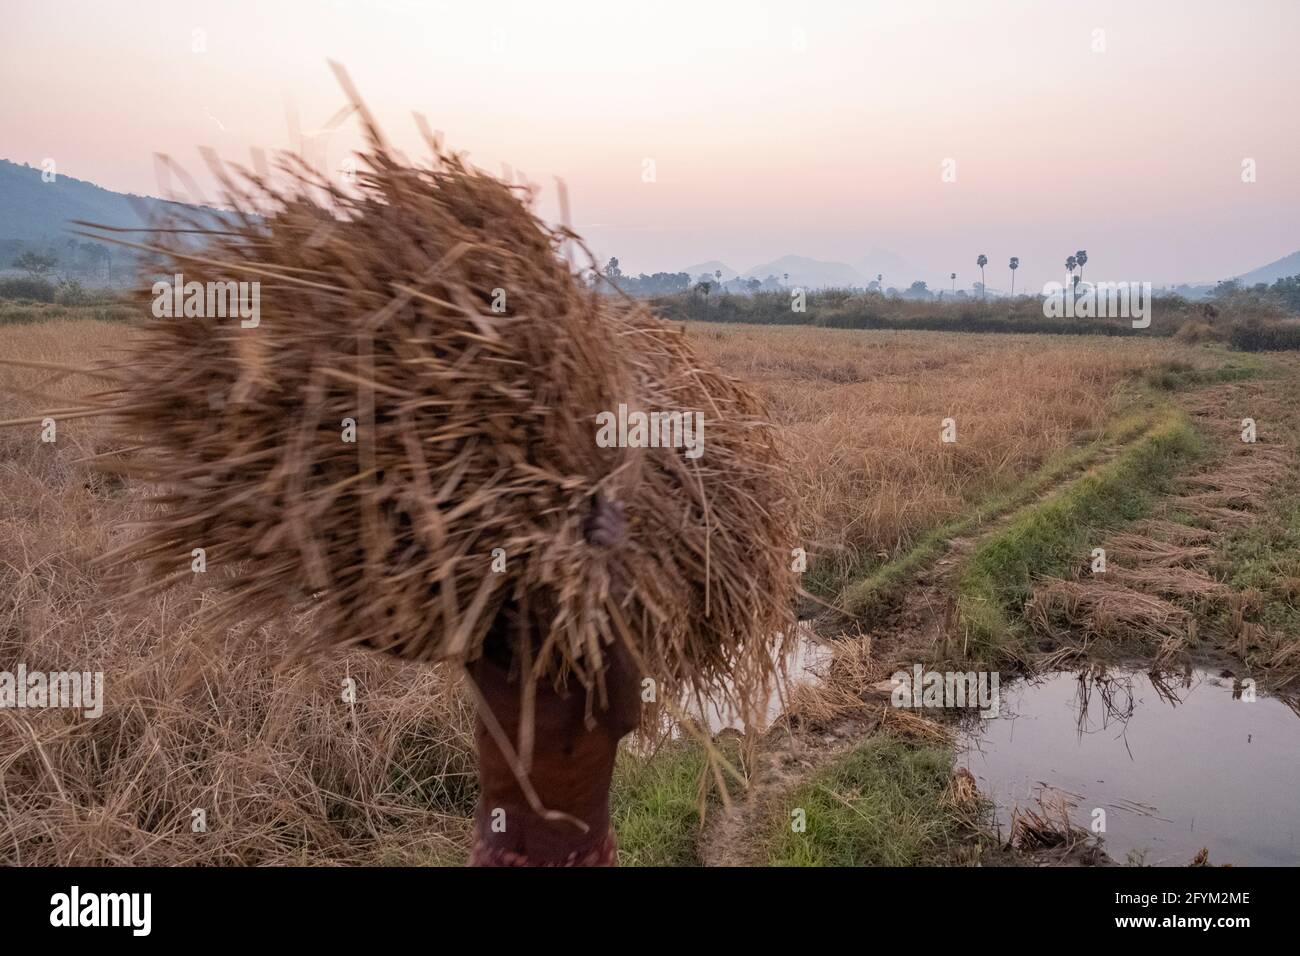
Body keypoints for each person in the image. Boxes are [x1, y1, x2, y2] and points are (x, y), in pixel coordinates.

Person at [465, 497, 642, 866]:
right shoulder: (488, 636)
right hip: (498, 854)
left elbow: (626, 717)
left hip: (577, 856)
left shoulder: (596, 645)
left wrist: (615, 574)